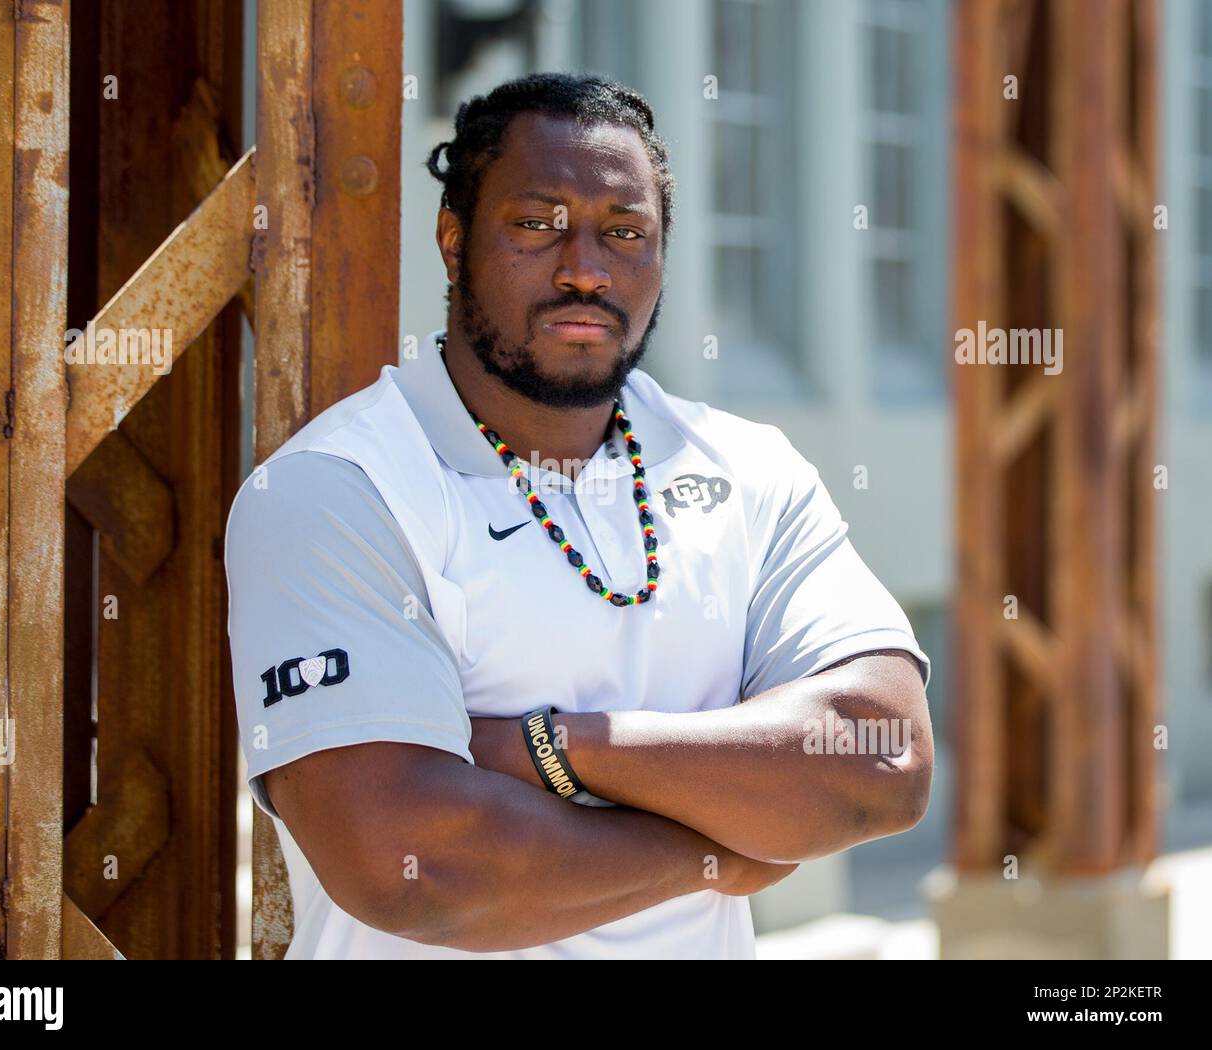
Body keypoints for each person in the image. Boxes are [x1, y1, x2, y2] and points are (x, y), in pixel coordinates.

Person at [224, 72, 932, 959]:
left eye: (625, 232)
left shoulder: (750, 473)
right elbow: (408, 865)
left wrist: (552, 749)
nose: (585, 270)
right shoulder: (337, 491)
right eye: (536, 224)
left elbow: (882, 763)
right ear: (453, 241)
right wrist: (726, 847)